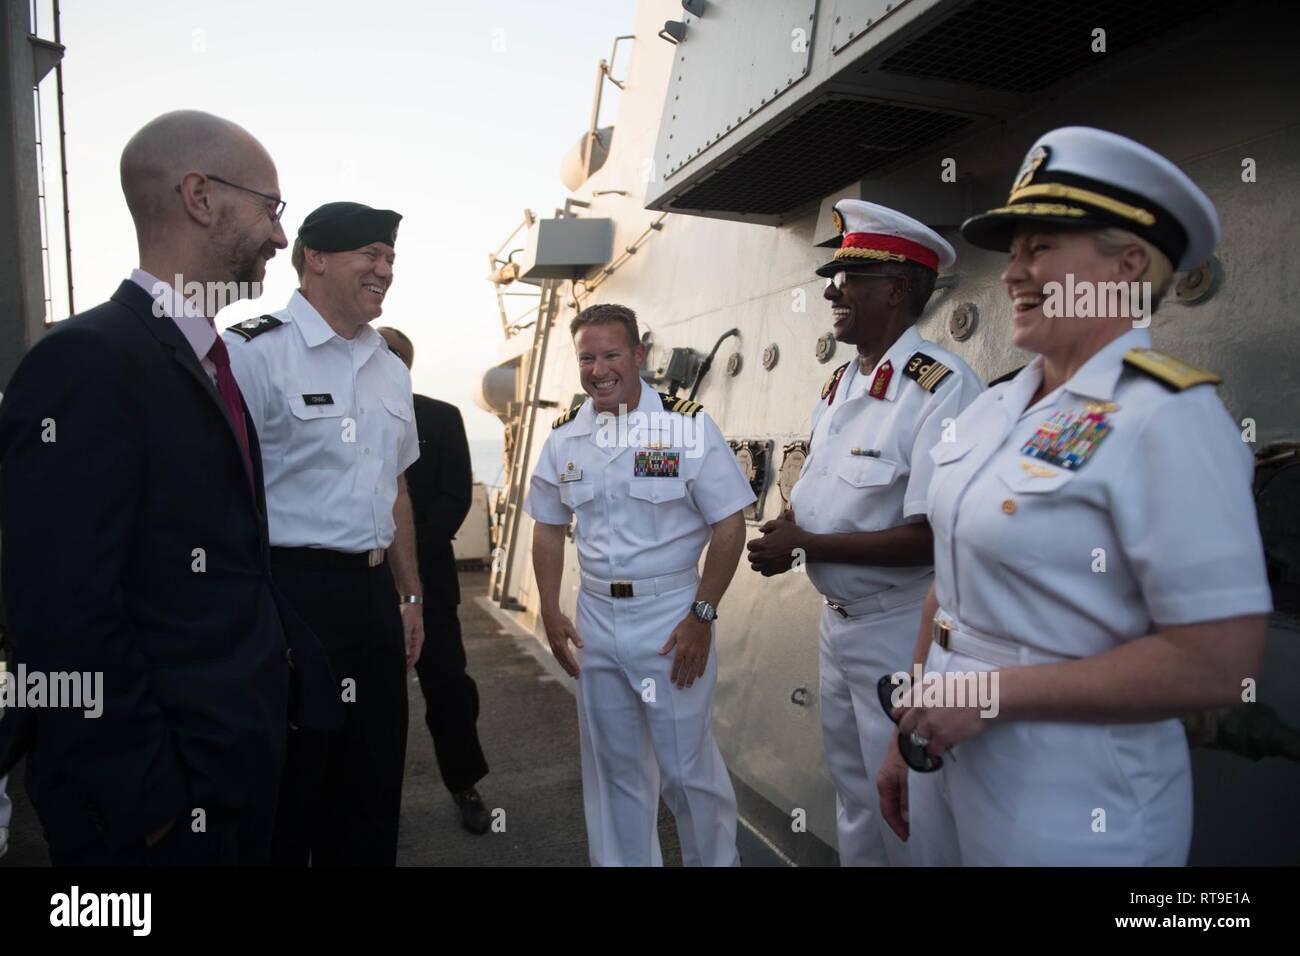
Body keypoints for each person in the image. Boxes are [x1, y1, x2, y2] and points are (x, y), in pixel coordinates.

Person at [875, 126, 1272, 865]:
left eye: (1041, 249)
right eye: (1014, 252)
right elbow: (951, 591)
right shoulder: (995, 408)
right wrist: (909, 731)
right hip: (946, 744)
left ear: (1126, 265)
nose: (1014, 274)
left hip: (1073, 788)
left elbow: (1221, 663)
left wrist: (990, 696)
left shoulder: (1169, 416)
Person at [0, 110, 338, 866]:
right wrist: (148, 808)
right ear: (200, 196)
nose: (280, 238)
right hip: (155, 812)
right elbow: (58, 614)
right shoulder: (86, 362)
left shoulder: (208, 358)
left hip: (228, 776)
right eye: (270, 208)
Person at [746, 201, 982, 866]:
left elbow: (936, 539)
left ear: (896, 289)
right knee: (853, 798)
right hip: (840, 627)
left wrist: (809, 546)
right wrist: (793, 530)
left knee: (909, 810)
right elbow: (829, 500)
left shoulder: (940, 390)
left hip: (900, 631)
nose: (831, 289)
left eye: (849, 276)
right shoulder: (841, 383)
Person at [224, 201, 422, 866]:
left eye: (390, 257)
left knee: (370, 789)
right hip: (290, 598)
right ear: (315, 258)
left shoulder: (389, 366)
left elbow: (394, 489)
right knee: (290, 789)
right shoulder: (253, 353)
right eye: (371, 253)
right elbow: (218, 492)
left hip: (371, 600)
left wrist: (411, 597)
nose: (384, 269)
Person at [525, 303, 755, 866]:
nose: (598, 370)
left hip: (671, 617)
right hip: (596, 620)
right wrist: (552, 610)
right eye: (586, 358)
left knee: (686, 772)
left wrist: (702, 615)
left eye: (610, 355)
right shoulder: (564, 437)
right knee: (616, 775)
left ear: (638, 357)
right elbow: (549, 527)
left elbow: (730, 523)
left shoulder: (685, 425)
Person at [378, 326, 492, 835]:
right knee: (372, 695)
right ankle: (372, 796)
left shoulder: (441, 417)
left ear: (409, 363)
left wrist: (404, 548)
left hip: (430, 577)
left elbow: (455, 496)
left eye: (396, 354)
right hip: (360, 583)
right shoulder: (347, 413)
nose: (387, 359)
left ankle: (464, 784)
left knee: (447, 685)